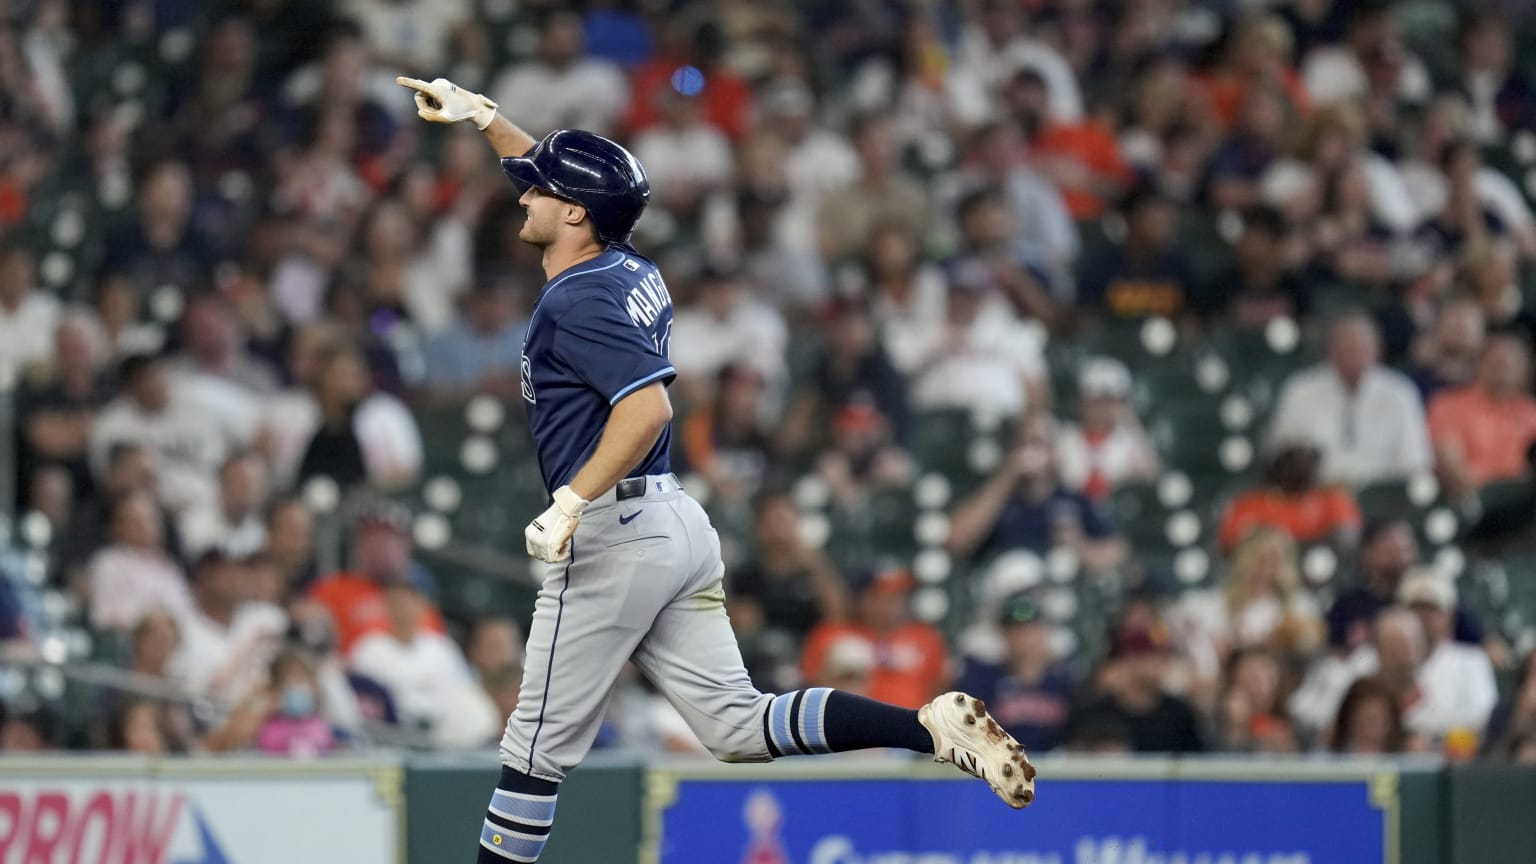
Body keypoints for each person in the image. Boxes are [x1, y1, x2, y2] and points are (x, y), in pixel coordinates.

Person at [393, 75, 1035, 864]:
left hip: (612, 529)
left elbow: (650, 410)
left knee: (532, 753)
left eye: (544, 189)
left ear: (574, 213)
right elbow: (545, 177)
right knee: (736, 726)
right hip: (673, 524)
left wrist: (570, 502)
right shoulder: (626, 265)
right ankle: (924, 728)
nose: (524, 194)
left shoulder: (576, 300)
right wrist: (489, 120)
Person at [1266, 311, 1432, 487]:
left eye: (1360, 347)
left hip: (1383, 499)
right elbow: (1280, 454)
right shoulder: (1300, 390)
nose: (1352, 355)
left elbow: (1415, 462)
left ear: (1376, 350)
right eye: (1345, 347)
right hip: (1313, 497)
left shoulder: (1400, 393)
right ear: (1330, 349)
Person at [799, 564, 949, 710]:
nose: (894, 604)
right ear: (861, 598)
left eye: (899, 596)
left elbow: (939, 688)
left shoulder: (926, 637)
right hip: (853, 726)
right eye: (883, 596)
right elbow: (812, 686)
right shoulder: (833, 634)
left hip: (912, 726)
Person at [955, 591, 1075, 753]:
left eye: (1030, 630)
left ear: (1044, 632)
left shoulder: (1066, 681)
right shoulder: (982, 680)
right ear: (1003, 635)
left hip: (1057, 770)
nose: (1023, 638)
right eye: (1015, 631)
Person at [1427, 334, 1536, 499]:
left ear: (1524, 370)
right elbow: (1453, 469)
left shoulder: (1530, 412)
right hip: (1467, 501)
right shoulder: (1448, 405)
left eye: (1511, 364)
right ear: (1479, 364)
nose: (1503, 370)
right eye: (1497, 362)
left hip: (1523, 504)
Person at [1217, 440, 1362, 552]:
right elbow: (1229, 547)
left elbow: (1348, 539)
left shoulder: (1332, 499)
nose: (1302, 467)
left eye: (1308, 458)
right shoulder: (1248, 504)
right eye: (1294, 459)